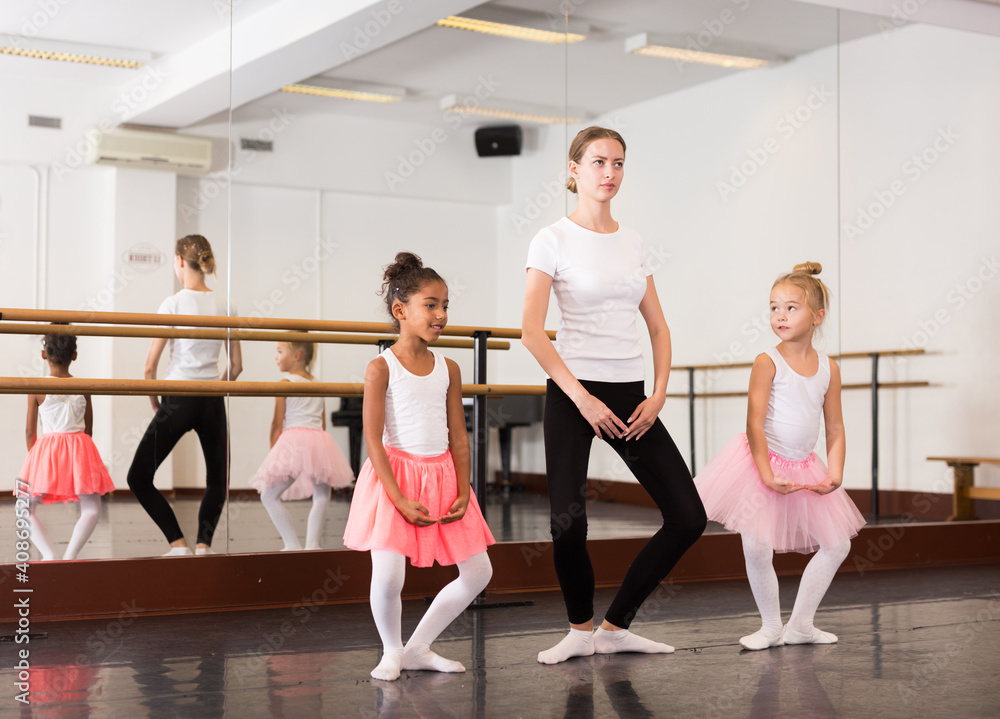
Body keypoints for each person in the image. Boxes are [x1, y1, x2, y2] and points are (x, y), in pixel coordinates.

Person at [521, 126, 707, 665]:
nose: (610, 172)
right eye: (599, 162)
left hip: (631, 394)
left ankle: (616, 626)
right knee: (567, 522)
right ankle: (579, 631)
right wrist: (581, 399)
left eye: (619, 163)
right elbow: (533, 330)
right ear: (574, 169)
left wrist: (659, 394)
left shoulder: (633, 241)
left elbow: (660, 328)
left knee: (688, 516)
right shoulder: (551, 238)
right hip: (573, 392)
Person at [695, 262, 866, 650]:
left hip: (805, 465)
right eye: (774, 307)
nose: (780, 315)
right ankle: (771, 626)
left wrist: (835, 472)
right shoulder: (766, 361)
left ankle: (802, 625)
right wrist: (767, 473)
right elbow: (754, 423)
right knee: (756, 544)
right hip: (762, 462)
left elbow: (835, 427)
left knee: (838, 545)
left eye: (791, 307)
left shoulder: (829, 368)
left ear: (817, 316)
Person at [343, 252, 495, 682]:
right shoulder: (380, 368)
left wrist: (464, 489)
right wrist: (398, 498)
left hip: (443, 476)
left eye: (446, 305)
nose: (442, 314)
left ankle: (418, 646)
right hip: (395, 479)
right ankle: (392, 650)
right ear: (400, 310)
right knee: (390, 574)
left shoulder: (449, 367)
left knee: (479, 571)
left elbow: (459, 436)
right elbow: (373, 438)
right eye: (431, 304)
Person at [126, 235, 242, 556]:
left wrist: (156, 403)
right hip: (212, 399)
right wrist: (215, 388)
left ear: (179, 261)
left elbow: (149, 368)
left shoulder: (173, 303)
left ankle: (178, 544)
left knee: (138, 476)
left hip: (178, 398)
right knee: (217, 480)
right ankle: (203, 545)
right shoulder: (226, 305)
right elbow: (236, 367)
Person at [20, 327, 115, 560]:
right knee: (92, 509)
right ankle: (69, 556)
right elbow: (88, 428)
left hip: (47, 451)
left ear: (44, 354)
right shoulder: (85, 387)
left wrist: (36, 460)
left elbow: (30, 430)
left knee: (24, 508)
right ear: (75, 355)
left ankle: (49, 556)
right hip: (80, 449)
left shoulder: (37, 387)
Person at [250, 337, 354, 550]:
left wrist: (275, 457)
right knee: (322, 494)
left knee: (269, 495)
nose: (275, 357)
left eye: (279, 351)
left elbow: (276, 424)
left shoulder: (285, 384)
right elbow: (322, 423)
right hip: (319, 441)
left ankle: (291, 544)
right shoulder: (319, 385)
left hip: (293, 441)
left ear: (296, 355)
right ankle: (312, 544)